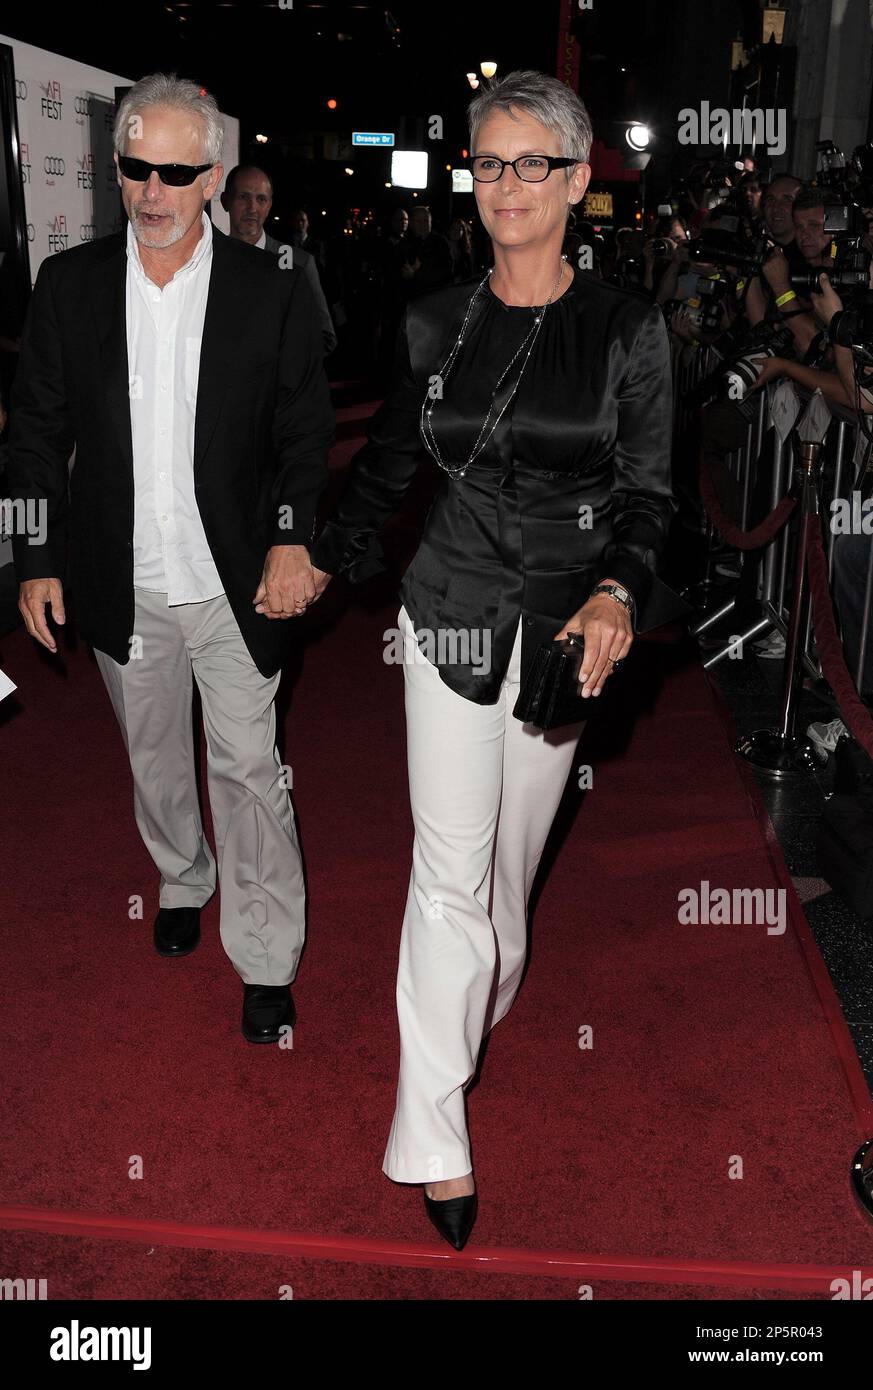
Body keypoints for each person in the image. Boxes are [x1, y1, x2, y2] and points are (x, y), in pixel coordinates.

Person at [307, 69, 677, 1249]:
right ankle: (432, 1129)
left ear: (576, 181)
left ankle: (485, 991)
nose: (506, 186)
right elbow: (390, 473)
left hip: (569, 633)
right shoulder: (431, 320)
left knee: (511, 873)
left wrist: (619, 591)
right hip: (451, 611)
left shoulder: (627, 331)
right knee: (448, 870)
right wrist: (316, 556)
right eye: (489, 163)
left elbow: (656, 500)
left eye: (532, 164)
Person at [7, 73, 334, 1042]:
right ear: (116, 170)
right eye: (135, 167)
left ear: (211, 178)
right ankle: (183, 875)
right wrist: (34, 549)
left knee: (248, 767)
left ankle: (266, 951)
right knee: (155, 760)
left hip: (234, 580)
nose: (152, 189)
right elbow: (32, 433)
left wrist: (290, 533)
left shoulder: (268, 288)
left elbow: (305, 432)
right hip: (124, 578)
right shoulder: (67, 286)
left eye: (175, 171)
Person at [220, 163, 337, 356]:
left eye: (261, 199)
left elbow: (326, 338)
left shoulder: (297, 262)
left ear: (269, 206)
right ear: (225, 201)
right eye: (243, 197)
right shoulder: (206, 261)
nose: (252, 208)